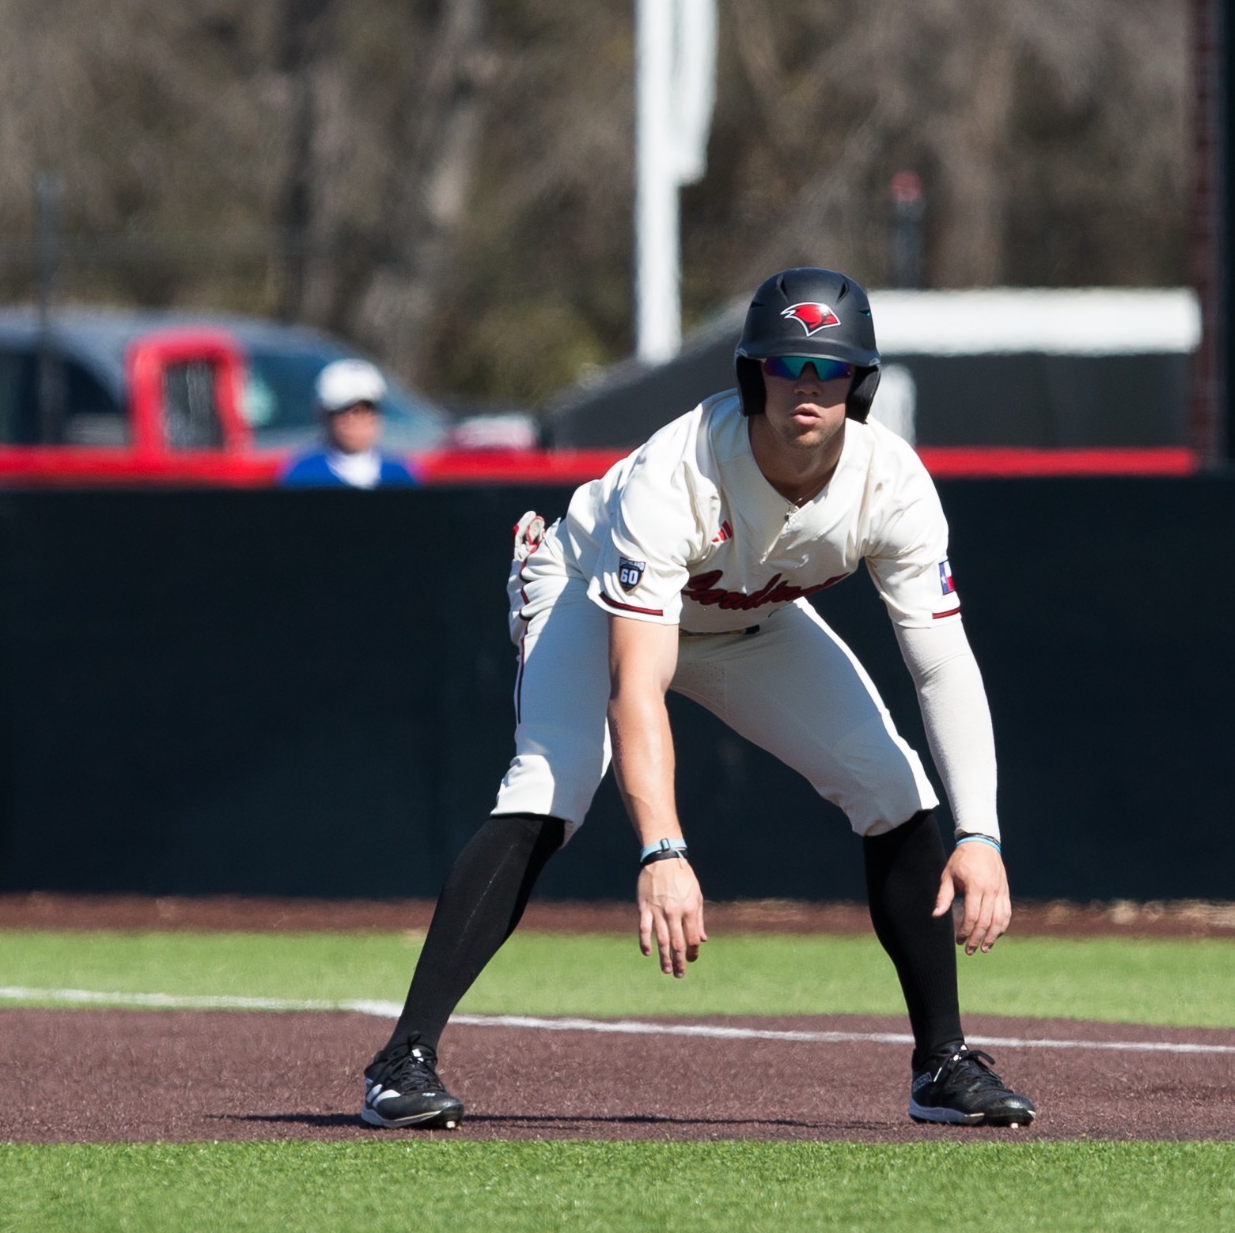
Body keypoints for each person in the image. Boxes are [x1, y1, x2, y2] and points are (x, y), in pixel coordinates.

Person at [361, 268, 1034, 1130]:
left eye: (829, 370)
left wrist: (980, 835)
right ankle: (402, 1062)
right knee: (553, 783)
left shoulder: (892, 482)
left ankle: (941, 1065)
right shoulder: (682, 469)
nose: (806, 387)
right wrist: (663, 848)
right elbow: (637, 683)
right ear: (754, 374)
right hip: (589, 594)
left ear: (860, 385)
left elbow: (942, 665)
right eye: (786, 365)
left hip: (748, 616)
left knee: (892, 785)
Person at [277, 359, 420, 489]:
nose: (354, 420)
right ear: (323, 416)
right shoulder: (303, 476)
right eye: (343, 410)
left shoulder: (400, 475)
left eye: (366, 408)